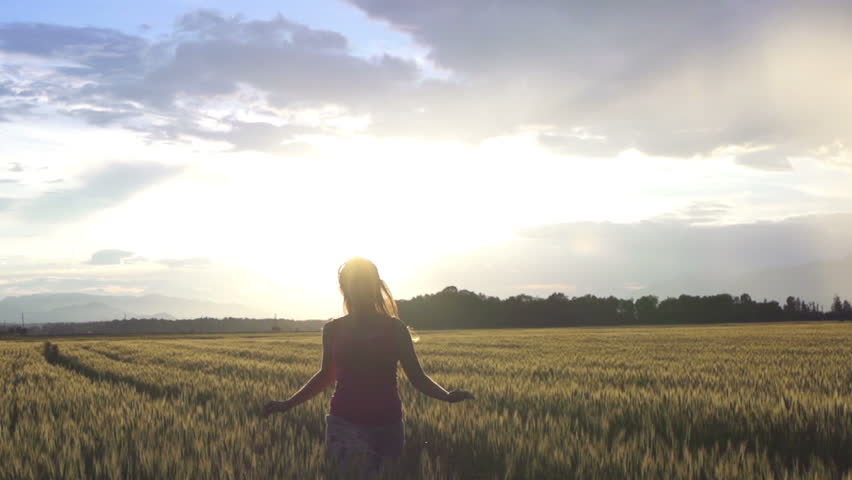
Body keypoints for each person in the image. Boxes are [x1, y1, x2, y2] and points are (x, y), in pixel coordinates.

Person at [262, 257, 474, 471]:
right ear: (344, 288)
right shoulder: (332, 330)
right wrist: (287, 404)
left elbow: (417, 376)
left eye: (366, 282)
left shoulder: (396, 329)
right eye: (355, 283)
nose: (361, 288)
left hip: (388, 427)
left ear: (375, 286)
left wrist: (446, 396)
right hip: (344, 423)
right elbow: (326, 375)